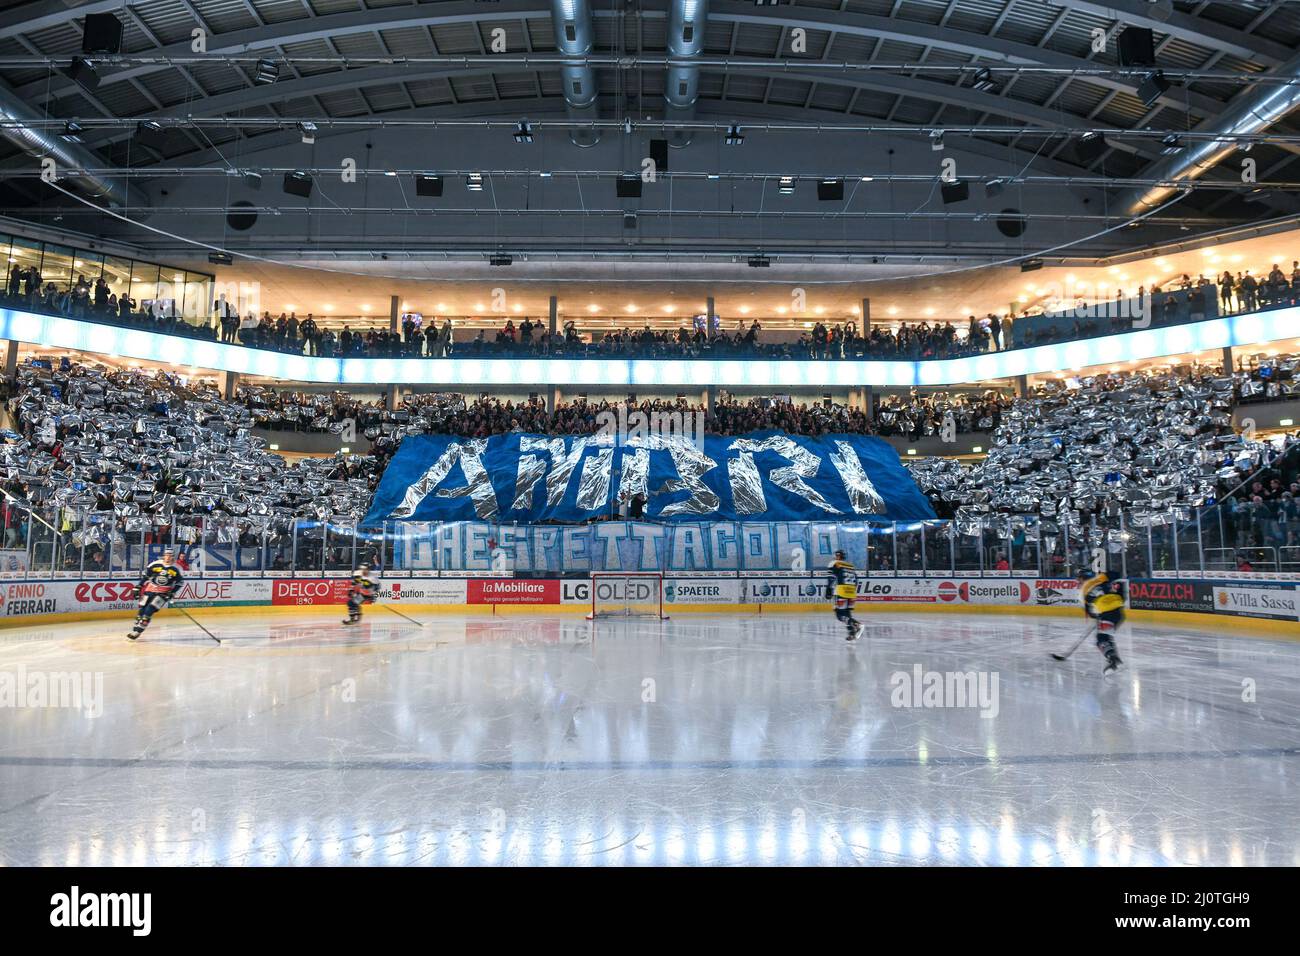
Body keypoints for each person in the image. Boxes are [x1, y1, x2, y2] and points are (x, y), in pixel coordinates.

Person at [1077, 567, 1124, 675]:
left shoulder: (1083, 590)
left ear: (1082, 578)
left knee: (1101, 639)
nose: (1078, 581)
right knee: (1106, 637)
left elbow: (1090, 612)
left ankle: (1113, 659)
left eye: (1079, 579)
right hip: (1118, 612)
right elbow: (1116, 573)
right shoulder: (1101, 578)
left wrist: (1097, 615)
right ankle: (1114, 657)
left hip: (1107, 613)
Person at [128, 547, 184, 641]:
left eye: (170, 555)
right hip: (150, 589)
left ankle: (138, 631)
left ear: (173, 557)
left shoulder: (177, 568)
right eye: (166, 555)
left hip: (163, 592)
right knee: (142, 609)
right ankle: (136, 628)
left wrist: (172, 592)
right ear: (164, 555)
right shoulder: (155, 564)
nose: (168, 557)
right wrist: (139, 586)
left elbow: (179, 583)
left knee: (150, 610)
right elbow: (146, 576)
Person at [825, 549, 863, 641]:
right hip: (852, 591)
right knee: (847, 613)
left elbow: (832, 577)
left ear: (837, 556)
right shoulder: (850, 566)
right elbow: (856, 580)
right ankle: (852, 633)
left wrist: (829, 589)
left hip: (841, 591)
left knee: (839, 614)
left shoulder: (834, 563)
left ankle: (857, 625)